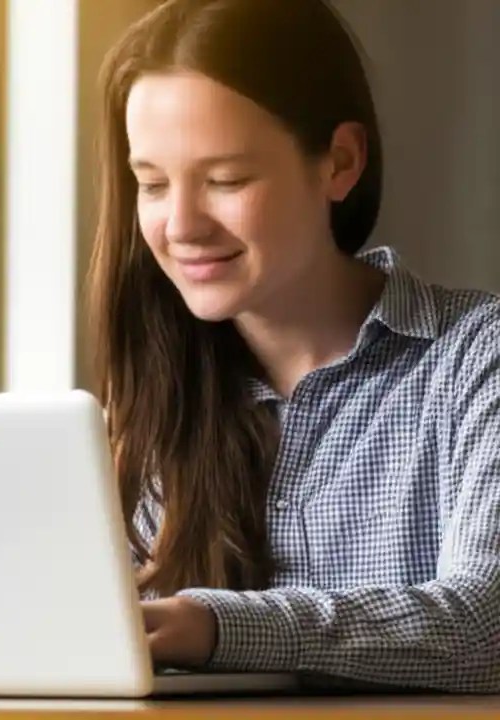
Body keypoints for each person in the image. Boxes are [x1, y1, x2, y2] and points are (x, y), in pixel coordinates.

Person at [88, 0, 500, 693]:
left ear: (340, 163)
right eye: (152, 184)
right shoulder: (156, 409)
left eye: (226, 180)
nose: (180, 225)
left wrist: (215, 627)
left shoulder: (477, 359)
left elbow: (487, 626)